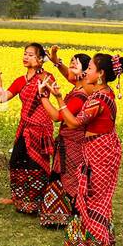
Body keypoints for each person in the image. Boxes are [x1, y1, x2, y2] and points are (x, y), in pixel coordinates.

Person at [40, 53, 123, 246]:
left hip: (100, 151)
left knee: (94, 198)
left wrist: (58, 97)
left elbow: (73, 123)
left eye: (89, 69)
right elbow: (75, 79)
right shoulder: (100, 91)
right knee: (90, 196)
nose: (86, 71)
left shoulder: (98, 99)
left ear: (101, 74)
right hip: (98, 148)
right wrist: (57, 64)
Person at [0, 43, 56, 214]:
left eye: (31, 55)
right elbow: (2, 98)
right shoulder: (20, 80)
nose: (26, 57)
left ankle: (37, 201)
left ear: (41, 60)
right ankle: (18, 197)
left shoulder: (47, 78)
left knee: (36, 164)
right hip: (24, 127)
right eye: (25, 54)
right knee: (16, 161)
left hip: (40, 129)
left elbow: (50, 97)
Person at [38, 49, 91, 227]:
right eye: (71, 61)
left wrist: (44, 97)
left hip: (73, 143)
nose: (72, 64)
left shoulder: (81, 95)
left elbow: (57, 117)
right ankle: (57, 216)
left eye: (76, 63)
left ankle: (79, 217)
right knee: (61, 177)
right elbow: (68, 74)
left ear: (85, 72)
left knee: (71, 179)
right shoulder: (78, 87)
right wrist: (56, 61)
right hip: (67, 142)